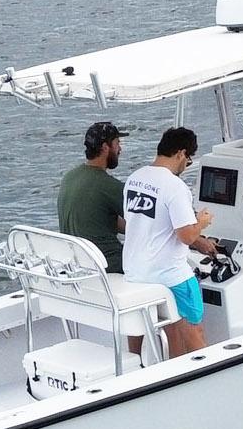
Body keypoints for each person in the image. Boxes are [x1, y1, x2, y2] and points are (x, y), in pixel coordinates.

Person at [123, 126, 220, 358]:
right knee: (194, 330)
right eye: (189, 159)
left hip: (136, 272)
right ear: (181, 154)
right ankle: (205, 368)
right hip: (169, 275)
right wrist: (202, 221)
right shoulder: (175, 187)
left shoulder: (134, 178)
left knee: (170, 327)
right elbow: (186, 236)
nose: (187, 165)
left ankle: (144, 366)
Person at [58, 121, 130, 273]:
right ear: (105, 148)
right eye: (117, 143)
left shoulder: (69, 177)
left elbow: (97, 218)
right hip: (107, 263)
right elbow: (146, 222)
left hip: (76, 262)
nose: (120, 149)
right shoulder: (109, 185)